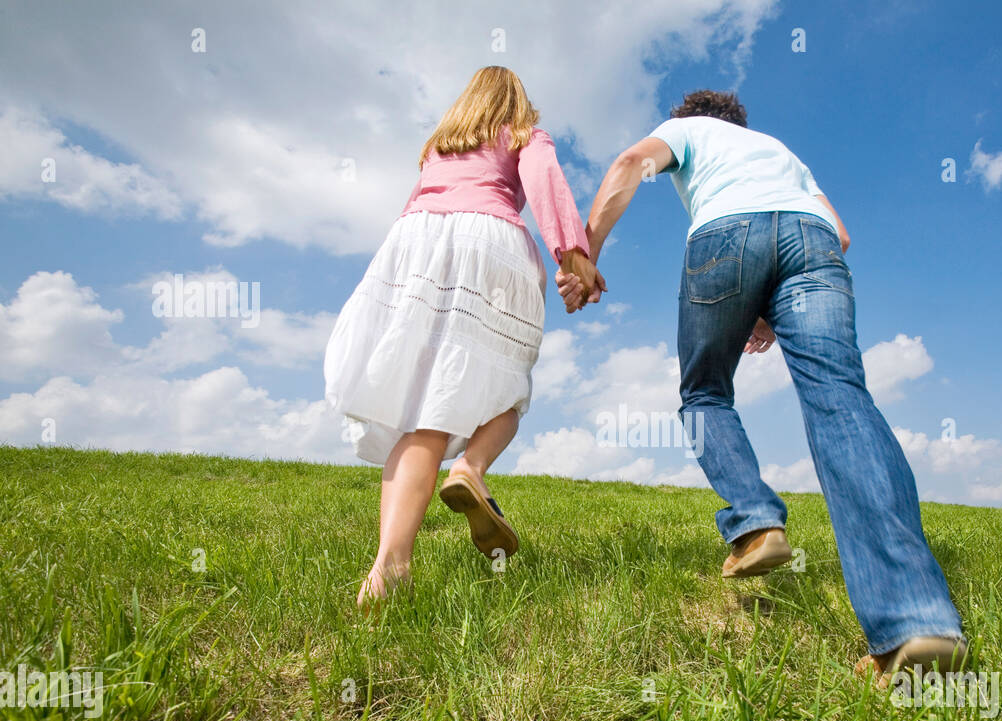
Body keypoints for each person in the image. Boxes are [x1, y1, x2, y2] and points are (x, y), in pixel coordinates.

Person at [559, 90, 966, 686]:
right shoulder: (779, 150)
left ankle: (756, 522)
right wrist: (768, 306)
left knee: (704, 393)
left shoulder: (687, 130)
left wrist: (584, 256)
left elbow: (627, 165)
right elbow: (843, 234)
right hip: (814, 242)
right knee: (842, 398)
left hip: (726, 236)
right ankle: (917, 622)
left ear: (691, 116)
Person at [325, 66, 599, 606]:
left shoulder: (437, 148)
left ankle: (388, 569)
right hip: (491, 241)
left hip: (414, 245)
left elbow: (413, 205)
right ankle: (471, 469)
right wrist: (574, 256)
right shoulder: (525, 135)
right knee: (508, 386)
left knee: (425, 408)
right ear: (516, 102)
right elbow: (545, 184)